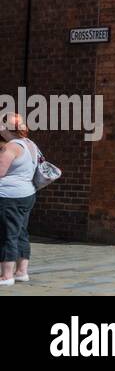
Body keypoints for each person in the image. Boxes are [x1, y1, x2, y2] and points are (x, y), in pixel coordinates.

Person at [0, 114, 38, 285]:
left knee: (7, 234)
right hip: (27, 194)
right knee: (21, 232)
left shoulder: (10, 147)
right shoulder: (30, 143)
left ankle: (6, 276)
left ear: (6, 128)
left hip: (10, 197)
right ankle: (21, 272)